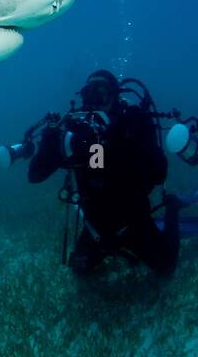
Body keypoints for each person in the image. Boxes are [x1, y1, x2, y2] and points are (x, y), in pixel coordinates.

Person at [27, 70, 182, 276]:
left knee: (167, 266)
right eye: (88, 94)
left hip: (133, 221)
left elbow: (158, 173)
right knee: (79, 272)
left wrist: (120, 143)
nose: (94, 102)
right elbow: (35, 175)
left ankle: (172, 207)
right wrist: (49, 146)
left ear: (115, 96)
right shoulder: (75, 131)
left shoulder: (133, 121)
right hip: (96, 227)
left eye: (101, 93)